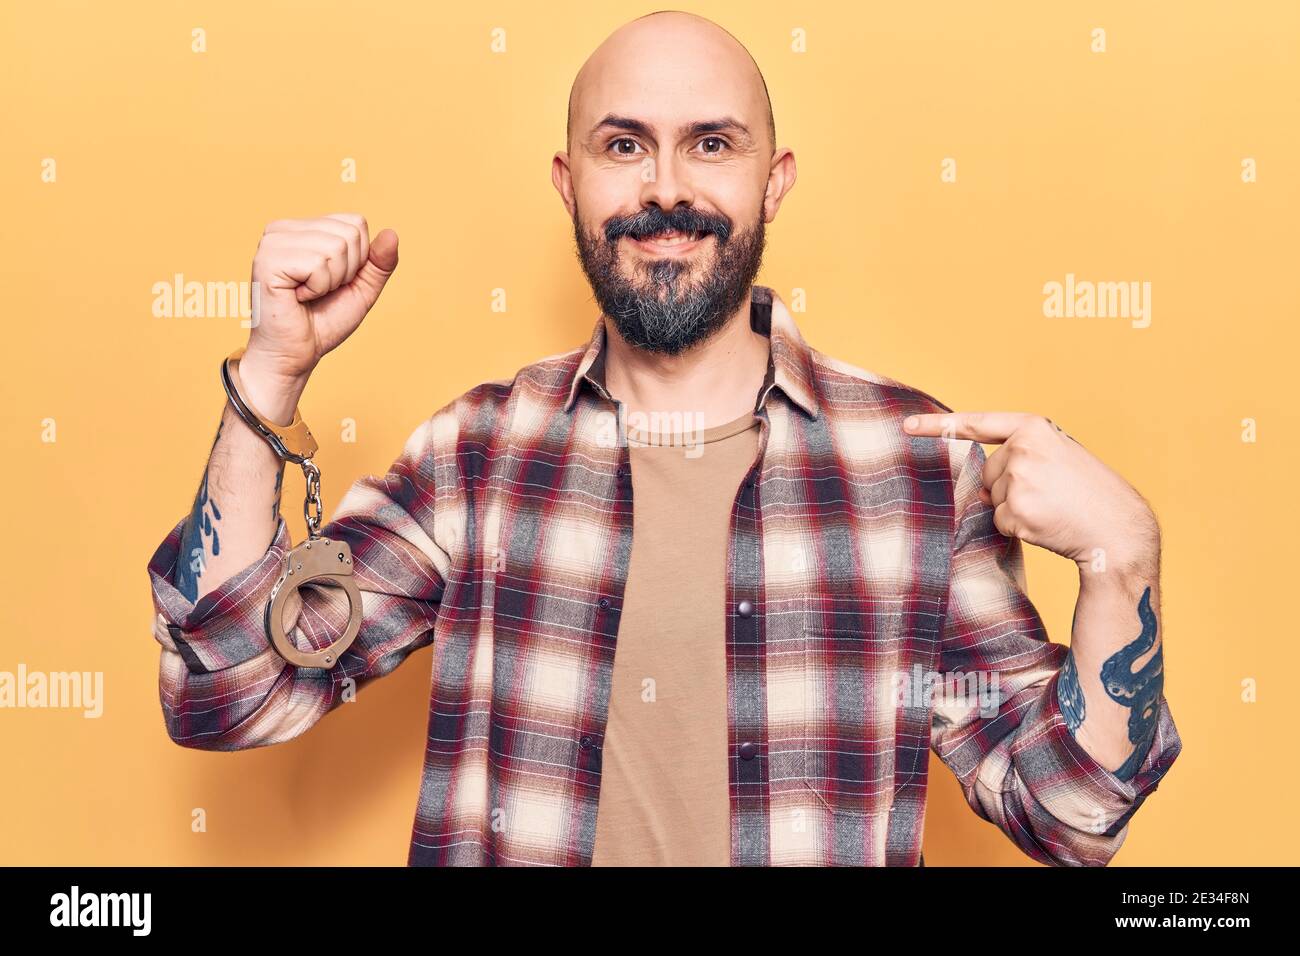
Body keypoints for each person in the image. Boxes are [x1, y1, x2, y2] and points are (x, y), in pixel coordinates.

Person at [146, 10, 1180, 866]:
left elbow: (1069, 810)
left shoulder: (916, 466)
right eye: (624, 144)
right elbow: (230, 692)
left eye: (712, 143)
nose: (666, 190)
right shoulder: (477, 454)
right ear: (569, 181)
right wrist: (271, 376)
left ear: (773, 180)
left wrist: (1120, 558)